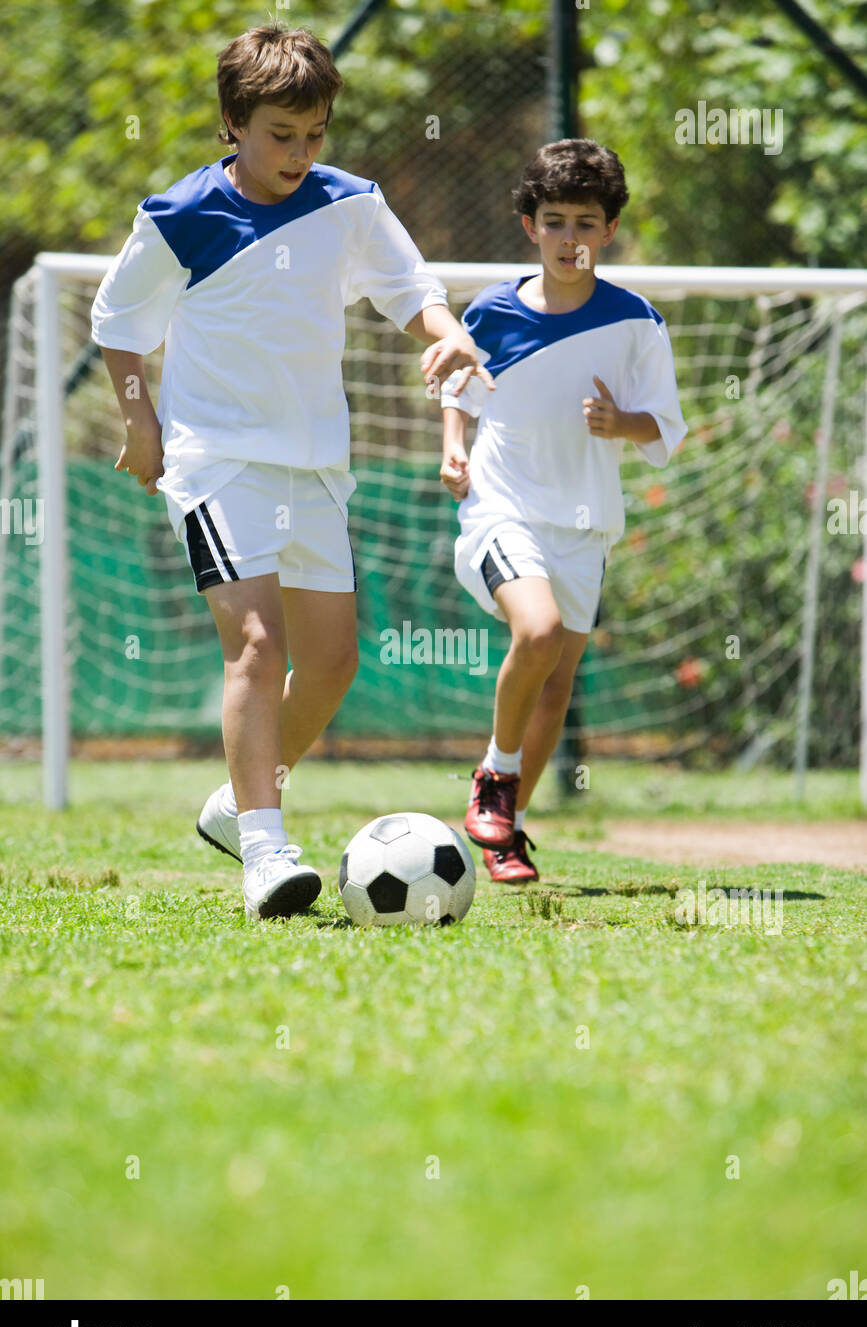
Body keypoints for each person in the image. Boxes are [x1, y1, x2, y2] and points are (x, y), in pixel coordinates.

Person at [91, 22, 493, 921]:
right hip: (214, 458)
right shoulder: (180, 216)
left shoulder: (347, 202)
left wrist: (449, 337)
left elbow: (411, 293)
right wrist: (140, 421)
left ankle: (237, 806)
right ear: (234, 121)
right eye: (282, 134)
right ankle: (266, 853)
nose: (301, 153)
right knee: (257, 645)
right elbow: (117, 323)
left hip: (315, 462)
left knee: (334, 663)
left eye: (315, 134)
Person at [439, 139, 686, 883]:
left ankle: (503, 826)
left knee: (555, 686)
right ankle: (493, 778)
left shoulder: (636, 322)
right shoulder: (490, 311)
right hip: (501, 508)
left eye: (585, 222)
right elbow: (460, 390)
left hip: (585, 524)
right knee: (537, 631)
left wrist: (623, 425)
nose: (569, 238)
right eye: (554, 221)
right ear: (528, 226)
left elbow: (664, 430)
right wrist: (454, 448)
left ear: (608, 230)